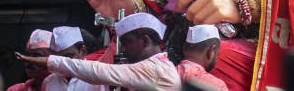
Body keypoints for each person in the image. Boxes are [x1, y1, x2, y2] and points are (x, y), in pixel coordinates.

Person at [17, 14, 179, 91]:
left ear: (144, 41)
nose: (122, 50)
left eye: (127, 43)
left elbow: (99, 71)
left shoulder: (155, 69)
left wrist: (48, 61)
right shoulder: (49, 82)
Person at [177, 25, 227, 91]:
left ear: (184, 49)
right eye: (217, 54)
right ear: (212, 50)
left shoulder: (167, 72)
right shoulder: (217, 86)